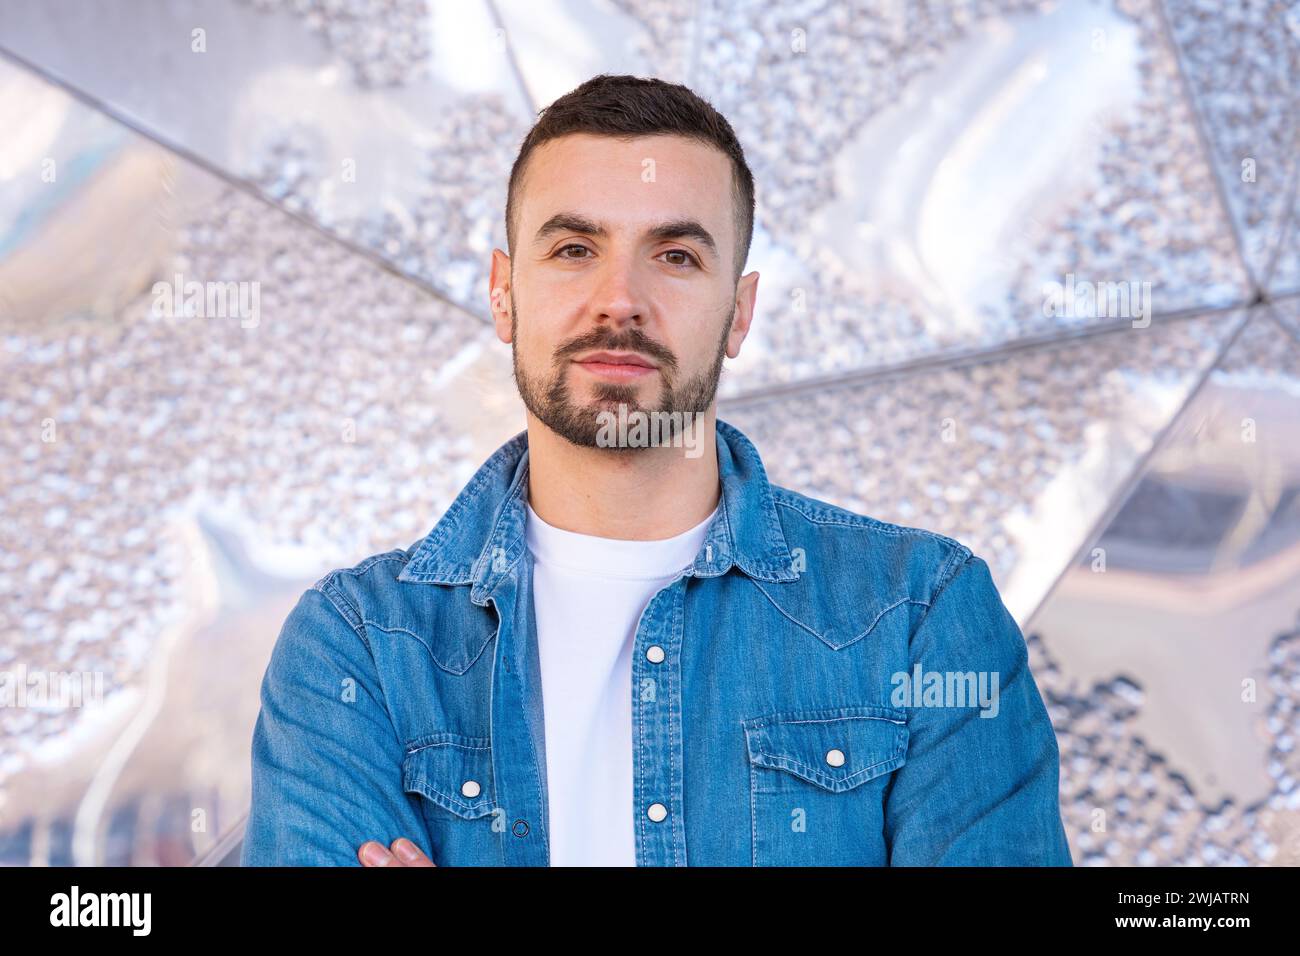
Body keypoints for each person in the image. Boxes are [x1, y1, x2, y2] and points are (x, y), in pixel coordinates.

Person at [241, 74, 1072, 867]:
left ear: (738, 313)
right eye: (574, 248)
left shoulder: (920, 616)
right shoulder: (358, 647)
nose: (620, 299)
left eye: (675, 256)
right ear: (503, 294)